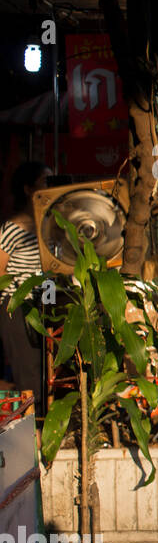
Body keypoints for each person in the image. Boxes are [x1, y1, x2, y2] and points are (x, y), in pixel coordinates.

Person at [0, 162, 49, 394]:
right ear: (28, 189)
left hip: (46, 305)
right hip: (18, 308)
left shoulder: (50, 226)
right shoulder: (12, 228)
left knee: (45, 369)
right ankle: (32, 427)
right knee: (28, 371)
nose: (49, 187)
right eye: (44, 182)